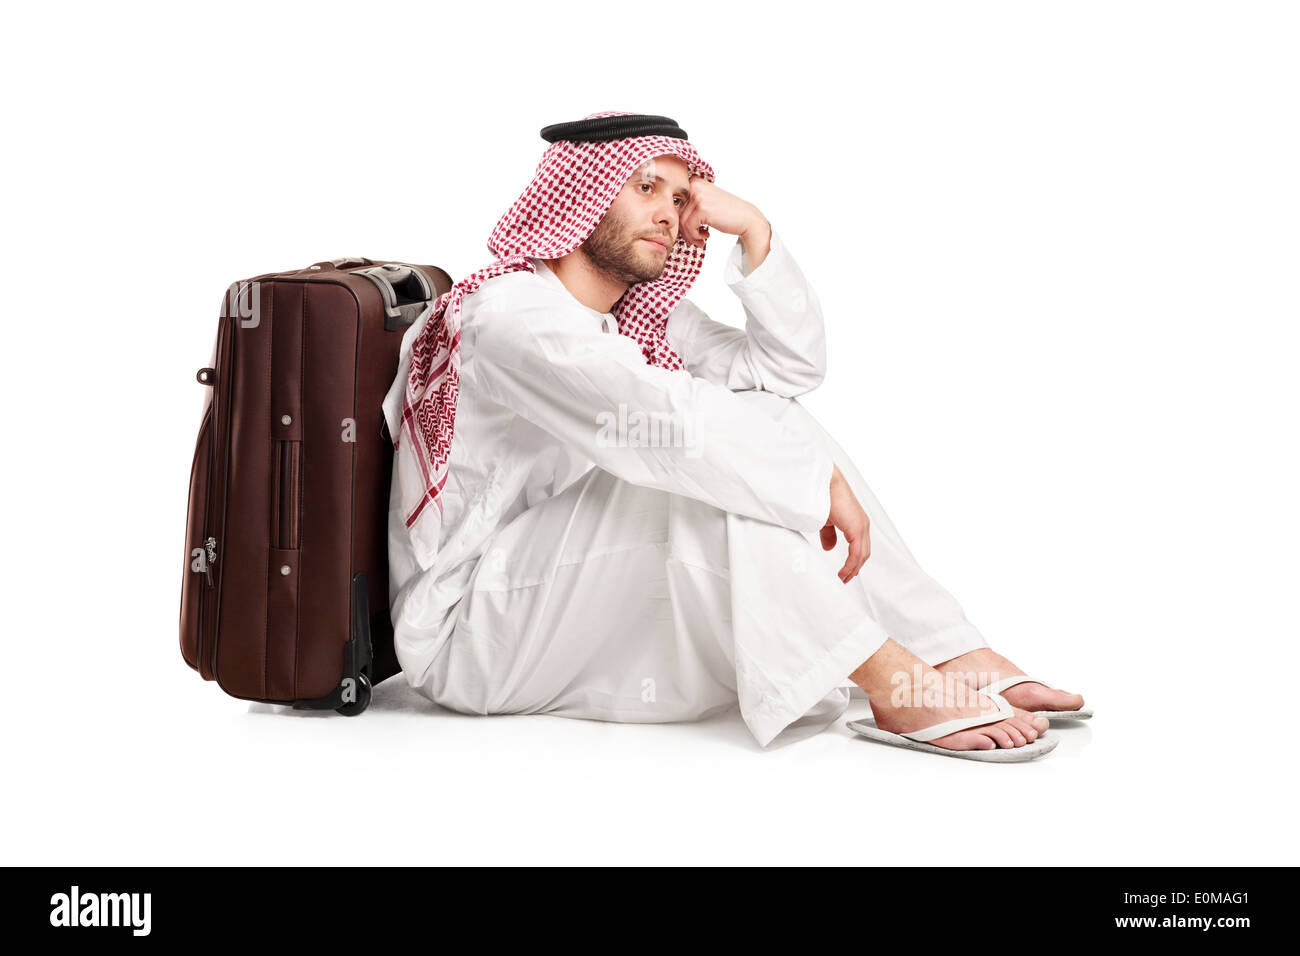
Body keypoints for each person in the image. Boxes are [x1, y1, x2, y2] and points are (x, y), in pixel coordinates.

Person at [381, 111, 1086, 758]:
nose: (668, 213)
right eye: (647, 187)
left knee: (767, 420)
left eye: (682, 198)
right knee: (699, 470)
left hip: (558, 586)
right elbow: (660, 424)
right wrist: (815, 484)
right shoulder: (511, 317)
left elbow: (783, 372)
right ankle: (890, 679)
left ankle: (946, 649)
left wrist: (754, 230)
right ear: (581, 196)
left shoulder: (637, 317)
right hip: (471, 625)